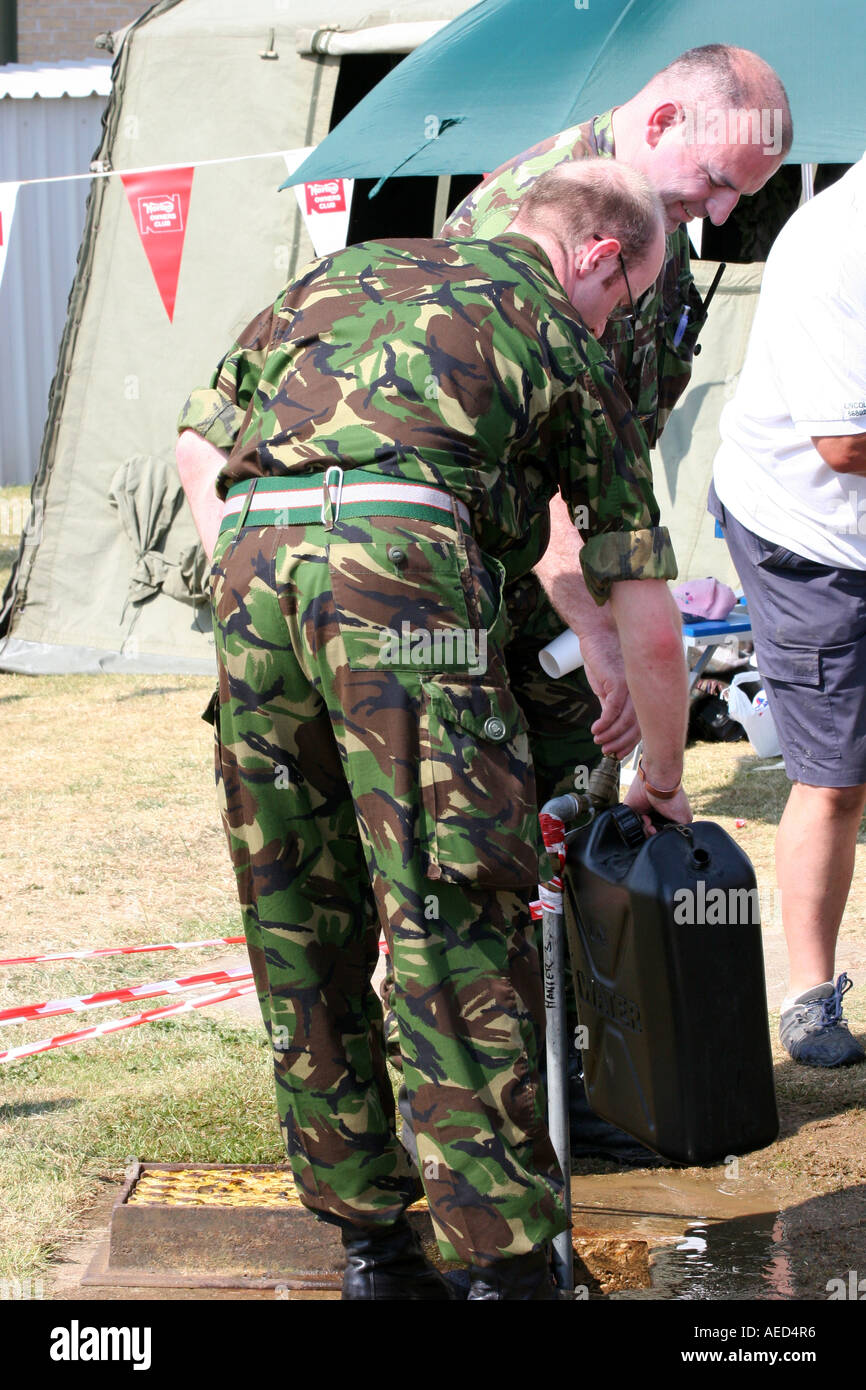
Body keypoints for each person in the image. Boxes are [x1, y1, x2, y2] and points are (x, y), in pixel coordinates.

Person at [177, 160, 692, 1299]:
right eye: (623, 297)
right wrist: (658, 770)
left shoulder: (341, 274)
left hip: (253, 567)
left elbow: (196, 448)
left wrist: (282, 571)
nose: (610, 319)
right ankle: (508, 1269)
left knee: (296, 914)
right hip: (400, 582)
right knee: (449, 910)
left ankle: (370, 1243)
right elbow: (644, 611)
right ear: (598, 257)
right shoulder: (556, 332)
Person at [442, 42, 793, 1154]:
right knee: (503, 836)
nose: (725, 209)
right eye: (719, 179)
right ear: (658, 126)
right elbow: (526, 429)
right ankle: (507, 1104)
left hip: (583, 574)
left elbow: (617, 430)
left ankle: (578, 1073)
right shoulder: (530, 206)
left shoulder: (656, 218)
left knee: (585, 817)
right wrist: (586, 617)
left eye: (744, 192)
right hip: (501, 589)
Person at [710, 154, 866, 1070]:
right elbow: (845, 444)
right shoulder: (836, 244)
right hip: (808, 533)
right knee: (836, 774)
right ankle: (812, 1000)